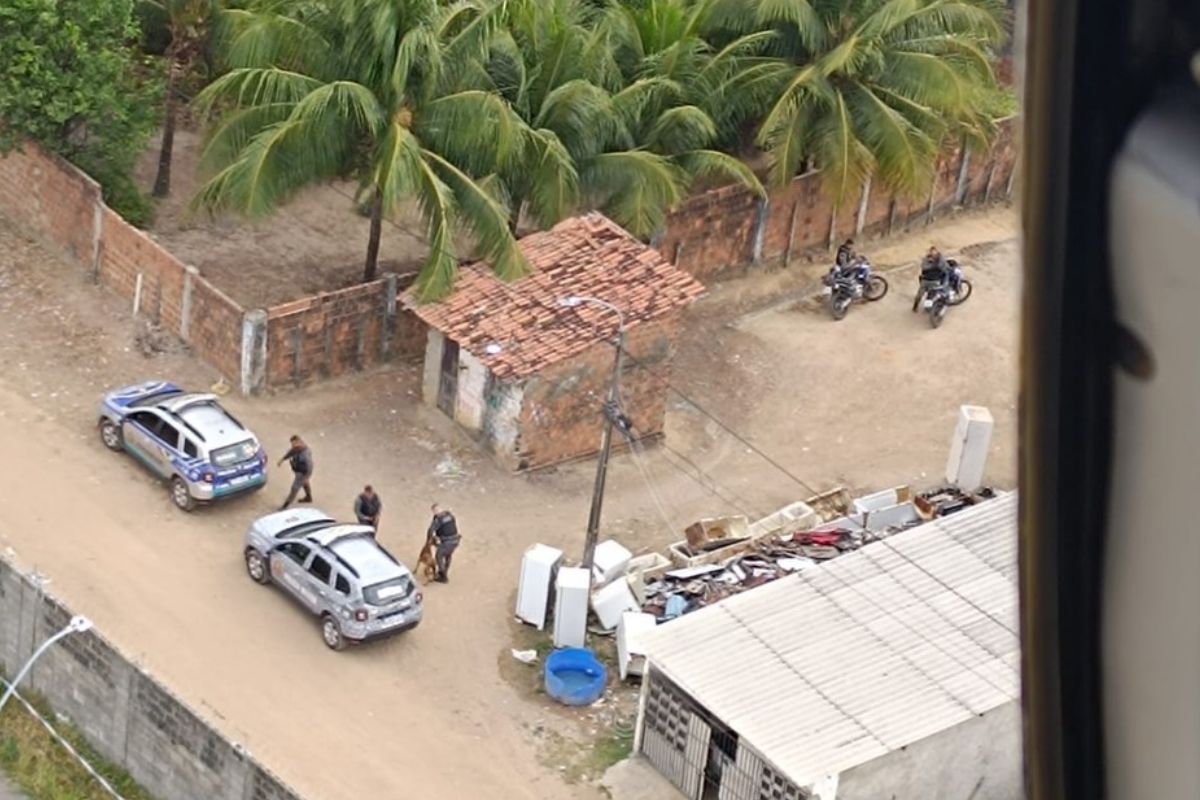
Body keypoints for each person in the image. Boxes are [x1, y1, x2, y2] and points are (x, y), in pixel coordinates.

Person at [277, 435, 313, 510]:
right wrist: (283, 459)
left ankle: (285, 505)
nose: (293, 446)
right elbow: (292, 451)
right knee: (305, 481)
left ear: (299, 442)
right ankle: (308, 497)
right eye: (292, 444)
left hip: (303, 471)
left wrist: (300, 473)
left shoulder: (304, 455)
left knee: (294, 488)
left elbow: (306, 467)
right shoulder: (298, 448)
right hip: (302, 470)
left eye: (294, 444)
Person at [427, 504, 460, 584]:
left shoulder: (438, 519)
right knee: (448, 555)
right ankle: (444, 571)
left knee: (439, 555)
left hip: (447, 542)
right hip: (456, 540)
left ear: (434, 512)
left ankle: (443, 575)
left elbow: (431, 530)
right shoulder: (449, 515)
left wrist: (429, 540)